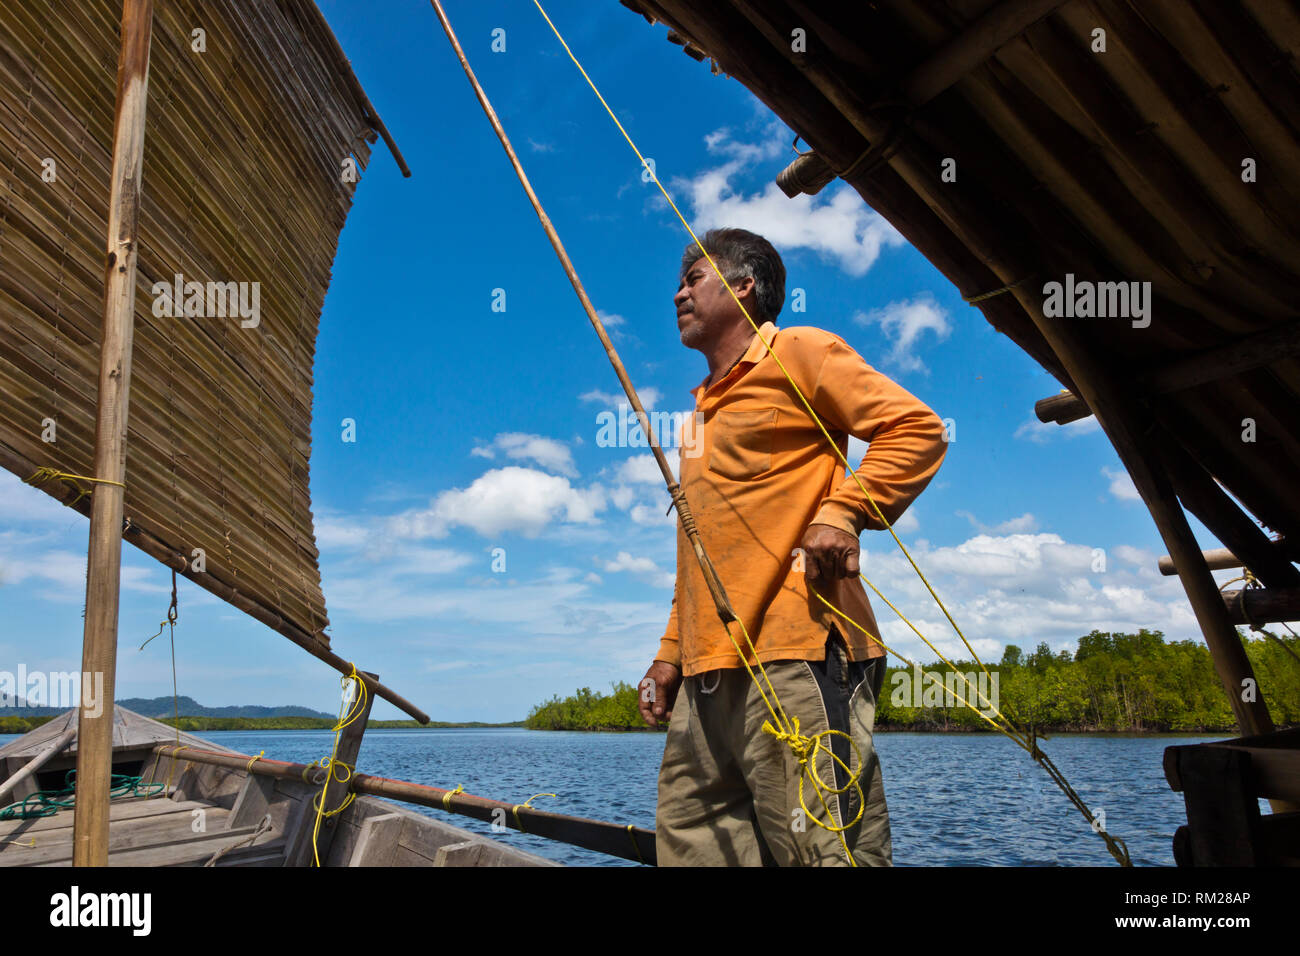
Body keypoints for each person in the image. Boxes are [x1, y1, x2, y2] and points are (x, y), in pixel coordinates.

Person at [638, 227, 948, 866]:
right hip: (705, 677)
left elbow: (917, 429)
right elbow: (699, 557)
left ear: (743, 285)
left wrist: (844, 511)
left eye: (693, 280)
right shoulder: (695, 419)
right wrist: (669, 656)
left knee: (823, 849)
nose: (677, 295)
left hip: (800, 656)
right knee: (692, 847)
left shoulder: (800, 351)